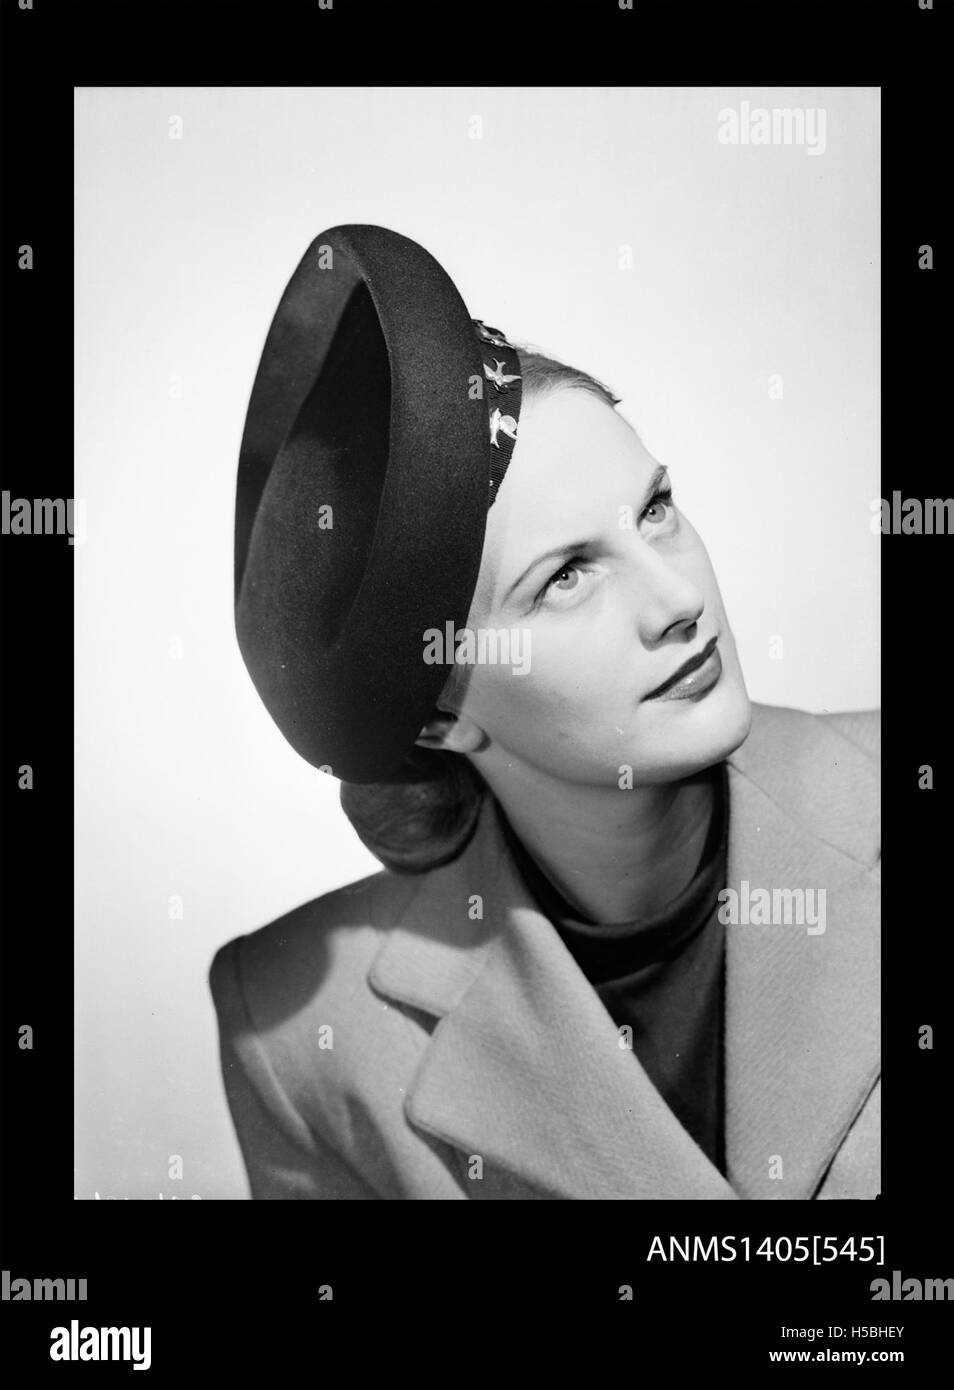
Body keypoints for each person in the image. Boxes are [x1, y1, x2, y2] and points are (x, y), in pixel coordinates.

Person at [210, 225, 880, 1200]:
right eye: (567, 577)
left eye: (654, 510)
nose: (677, 599)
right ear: (442, 716)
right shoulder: (296, 1033)